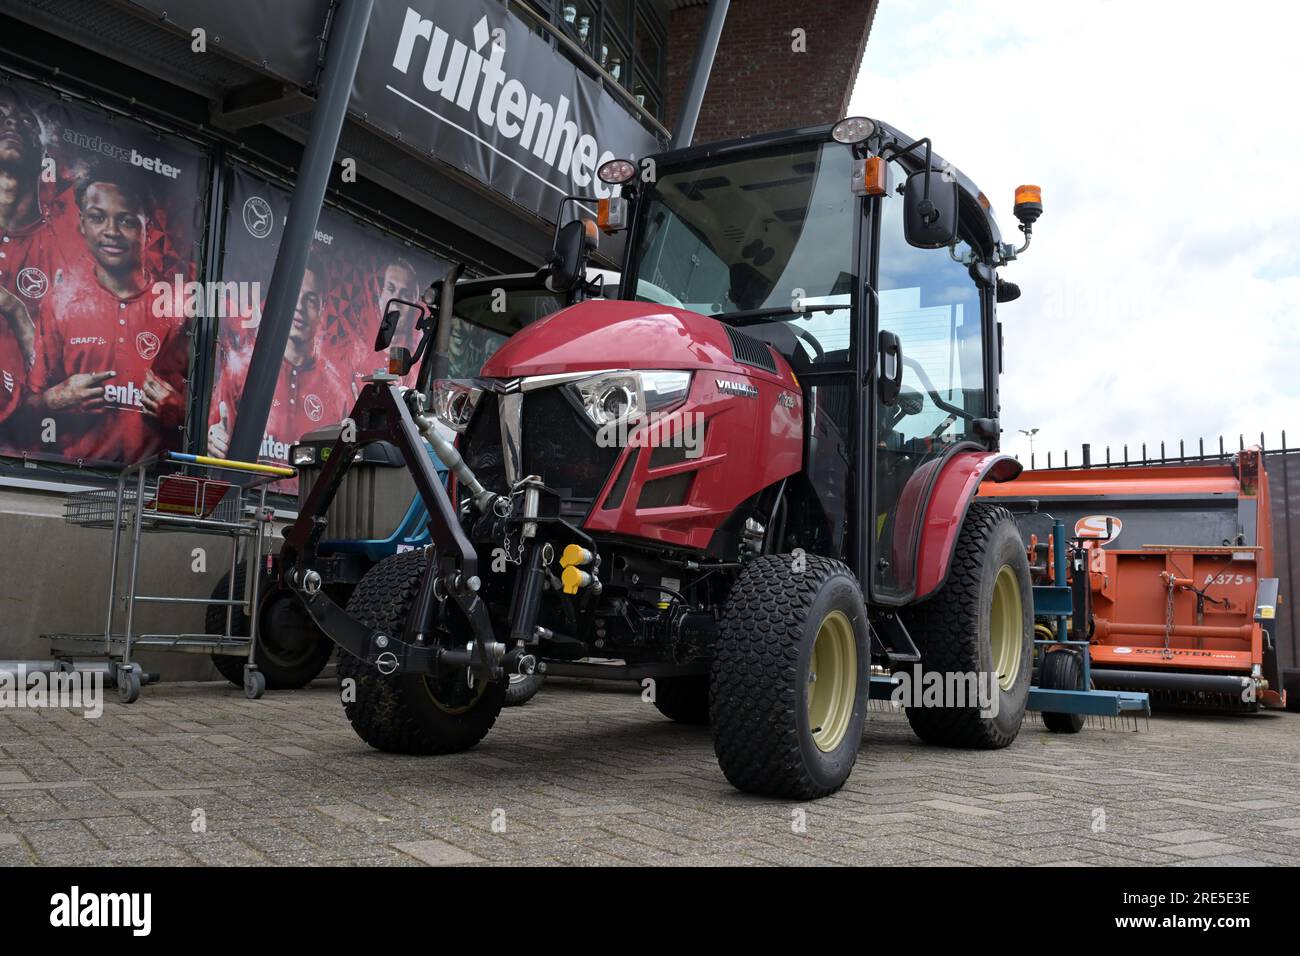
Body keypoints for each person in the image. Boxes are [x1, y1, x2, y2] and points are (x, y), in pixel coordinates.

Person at [25, 163, 188, 462]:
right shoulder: (61, 302)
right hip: (73, 485)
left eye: (126, 221)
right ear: (82, 224)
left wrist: (180, 410)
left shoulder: (178, 307)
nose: (111, 232)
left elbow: (216, 418)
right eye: (98, 218)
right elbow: (29, 406)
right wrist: (53, 400)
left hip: (147, 488)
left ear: (147, 227)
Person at [208, 252, 348, 467]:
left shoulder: (337, 392)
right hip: (245, 499)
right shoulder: (241, 370)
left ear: (323, 307)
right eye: (293, 296)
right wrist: (215, 442)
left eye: (310, 300)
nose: (299, 307)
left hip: (307, 501)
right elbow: (213, 439)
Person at [0, 85, 72, 443]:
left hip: (19, 444)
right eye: (2, 116)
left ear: (42, 147)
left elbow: (56, 378)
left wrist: (14, 309)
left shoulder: (60, 248)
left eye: (26, 121)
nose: (11, 124)